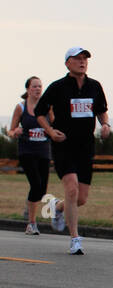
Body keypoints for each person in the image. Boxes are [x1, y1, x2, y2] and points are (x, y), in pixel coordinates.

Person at [34, 47, 111, 255]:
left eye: (85, 58)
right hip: (63, 145)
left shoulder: (94, 86)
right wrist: (50, 131)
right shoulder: (58, 87)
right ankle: (75, 238)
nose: (82, 62)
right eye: (78, 58)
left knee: (81, 198)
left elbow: (102, 111)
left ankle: (56, 206)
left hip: (86, 146)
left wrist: (105, 125)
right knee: (71, 189)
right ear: (67, 63)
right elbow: (39, 112)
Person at [8, 76, 52, 235]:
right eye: (34, 86)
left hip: (43, 150)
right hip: (27, 151)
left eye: (40, 86)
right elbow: (11, 130)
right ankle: (31, 223)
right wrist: (15, 132)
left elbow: (55, 124)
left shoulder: (47, 107)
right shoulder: (21, 107)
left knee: (42, 189)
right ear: (28, 89)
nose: (38, 89)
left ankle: (29, 208)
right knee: (35, 183)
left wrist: (53, 131)